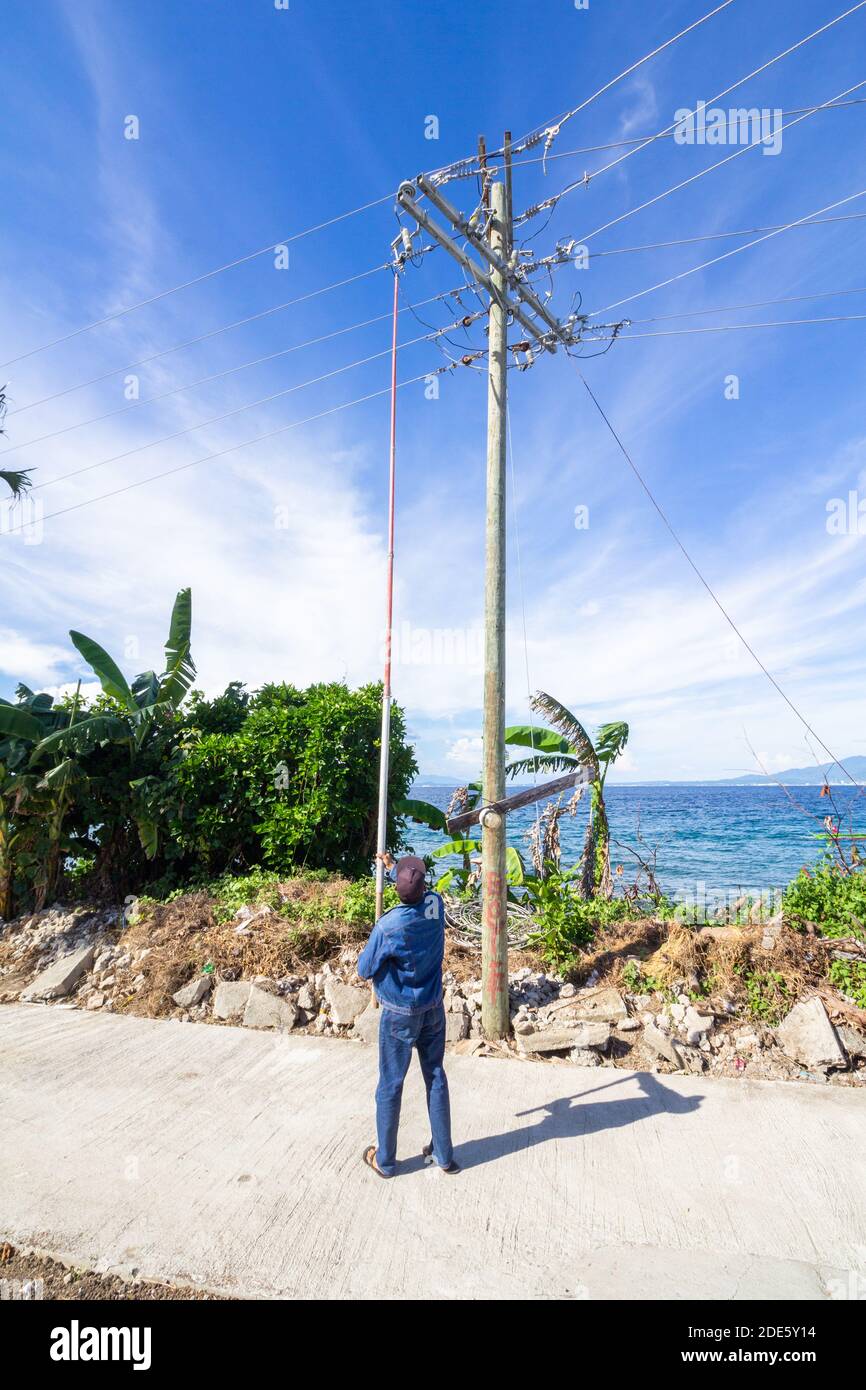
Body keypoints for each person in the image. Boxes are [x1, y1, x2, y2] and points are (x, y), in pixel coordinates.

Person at [357, 852, 459, 1178]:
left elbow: (364, 969)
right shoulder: (436, 906)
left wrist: (391, 872)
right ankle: (444, 1155)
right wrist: (392, 869)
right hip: (432, 1008)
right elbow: (417, 893)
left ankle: (385, 1161)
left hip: (400, 1013)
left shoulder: (389, 926)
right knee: (436, 1076)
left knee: (390, 1085)